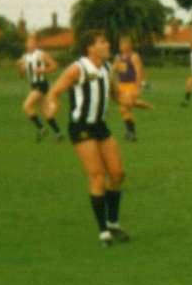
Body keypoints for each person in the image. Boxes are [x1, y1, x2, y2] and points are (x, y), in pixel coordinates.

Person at [46, 31, 131, 247]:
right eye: (103, 42)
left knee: (118, 174)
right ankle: (103, 232)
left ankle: (113, 223)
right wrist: (53, 104)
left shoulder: (108, 67)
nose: (108, 44)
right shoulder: (78, 68)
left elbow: (114, 94)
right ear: (90, 48)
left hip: (100, 126)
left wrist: (130, 101)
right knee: (96, 176)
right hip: (81, 127)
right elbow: (54, 91)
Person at [20, 36, 62, 140]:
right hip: (34, 85)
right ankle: (58, 133)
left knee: (26, 106)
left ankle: (41, 129)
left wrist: (42, 70)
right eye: (28, 42)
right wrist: (20, 69)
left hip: (41, 84)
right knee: (45, 111)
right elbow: (22, 73)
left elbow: (54, 65)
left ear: (36, 44)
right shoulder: (25, 57)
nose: (30, 44)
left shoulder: (41, 54)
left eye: (32, 42)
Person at [113, 35, 152, 141]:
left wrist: (137, 88)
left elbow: (139, 72)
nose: (121, 46)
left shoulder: (134, 56)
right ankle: (141, 104)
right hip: (121, 86)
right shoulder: (118, 57)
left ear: (129, 45)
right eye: (120, 44)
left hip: (131, 85)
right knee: (124, 109)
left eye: (123, 43)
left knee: (124, 107)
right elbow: (114, 70)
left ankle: (131, 133)